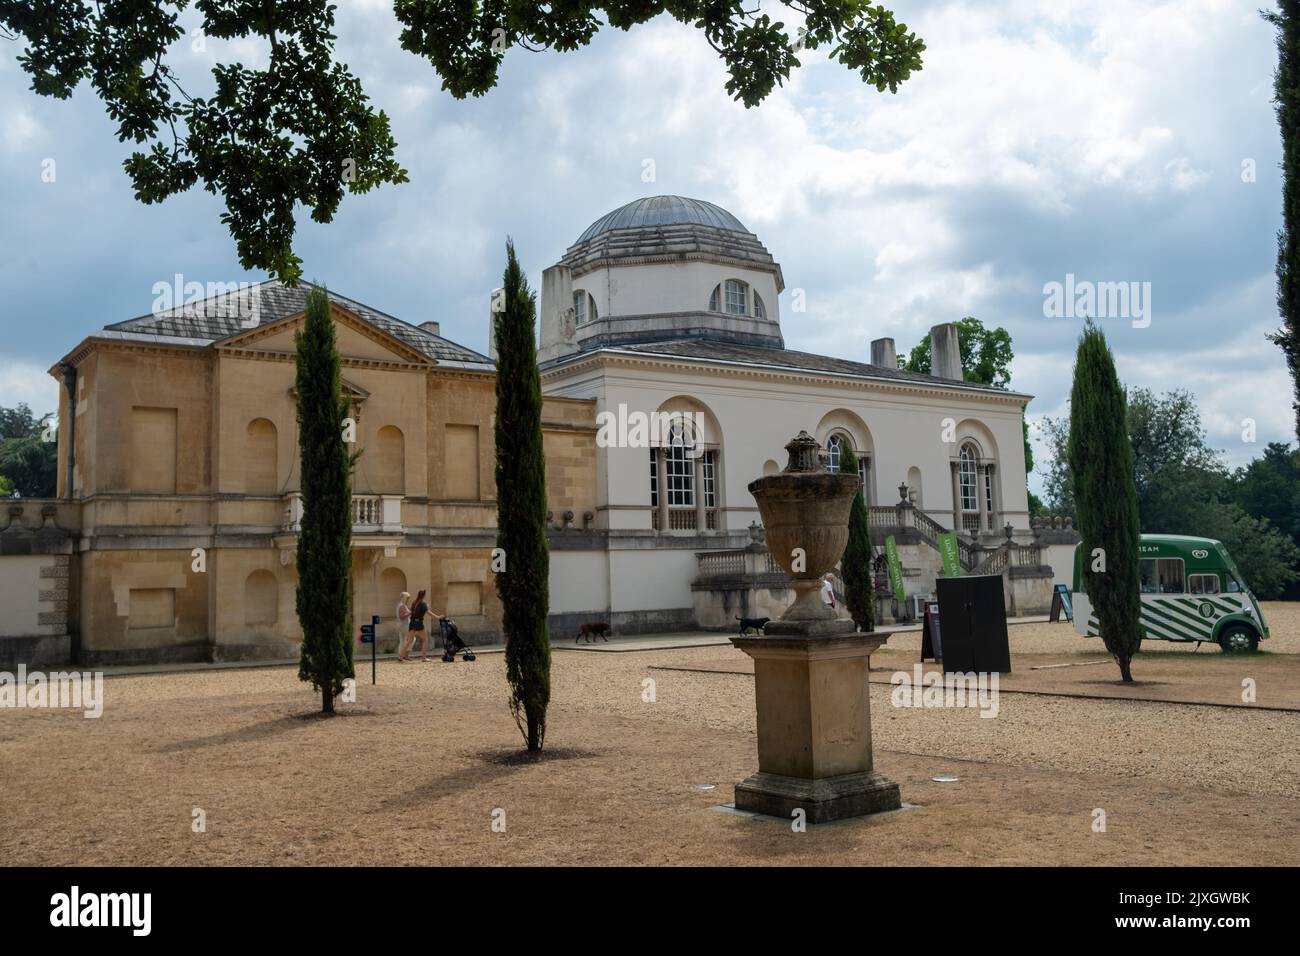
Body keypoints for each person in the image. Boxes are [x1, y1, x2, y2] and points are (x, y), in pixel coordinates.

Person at [405, 589, 431, 663]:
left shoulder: (414, 602)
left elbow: (411, 611)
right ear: (424, 595)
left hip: (412, 622)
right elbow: (428, 612)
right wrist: (437, 617)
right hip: (418, 623)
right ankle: (423, 657)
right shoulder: (423, 603)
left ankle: (401, 655)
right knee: (425, 640)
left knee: (409, 641)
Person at [395, 592, 412, 662]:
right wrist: (410, 612)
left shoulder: (401, 605)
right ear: (403, 598)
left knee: (402, 640)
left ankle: (400, 655)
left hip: (401, 625)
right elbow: (402, 616)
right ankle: (405, 654)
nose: (408, 599)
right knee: (412, 638)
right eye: (407, 598)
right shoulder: (402, 606)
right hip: (404, 625)